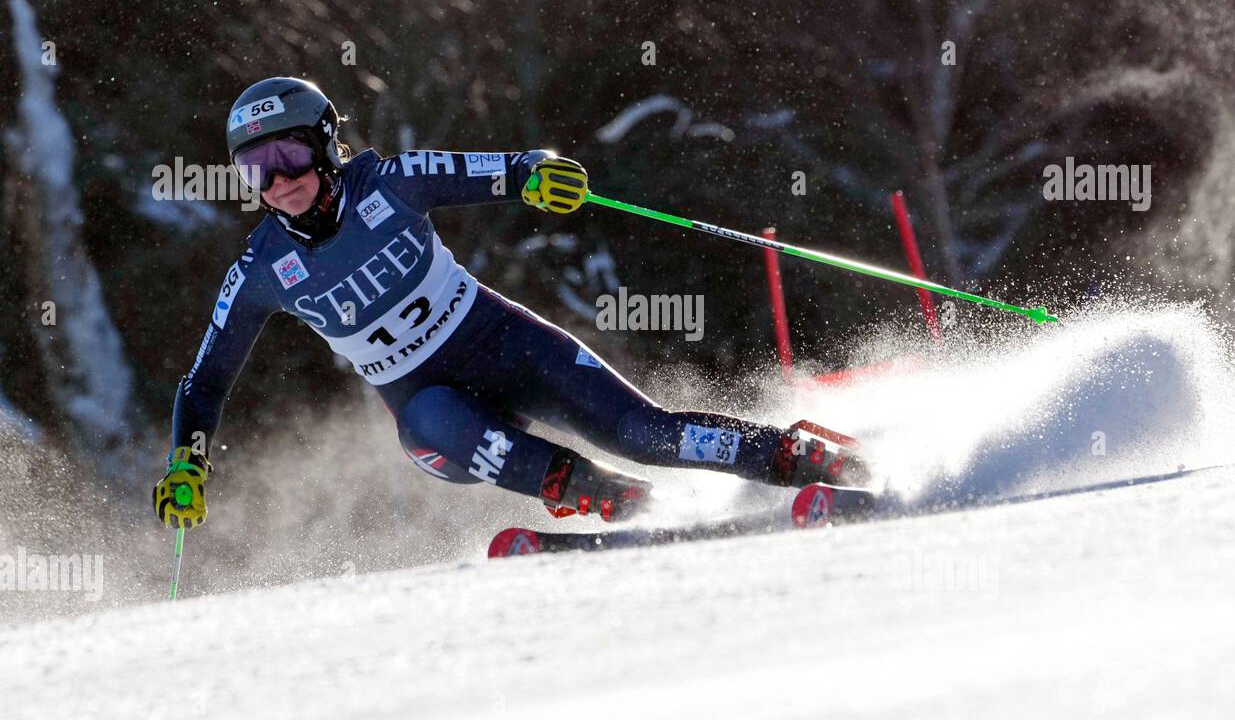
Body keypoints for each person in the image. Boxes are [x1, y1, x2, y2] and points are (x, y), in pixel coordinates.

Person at [153, 77, 866, 531]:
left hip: (501, 342)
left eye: (289, 157)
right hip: (439, 423)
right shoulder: (259, 269)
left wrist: (538, 176)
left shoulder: (390, 184)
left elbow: (499, 170)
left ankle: (791, 455)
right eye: (256, 169)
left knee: (640, 430)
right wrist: (189, 461)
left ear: (327, 148)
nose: (278, 182)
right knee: (431, 414)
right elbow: (206, 380)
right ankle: (600, 495)